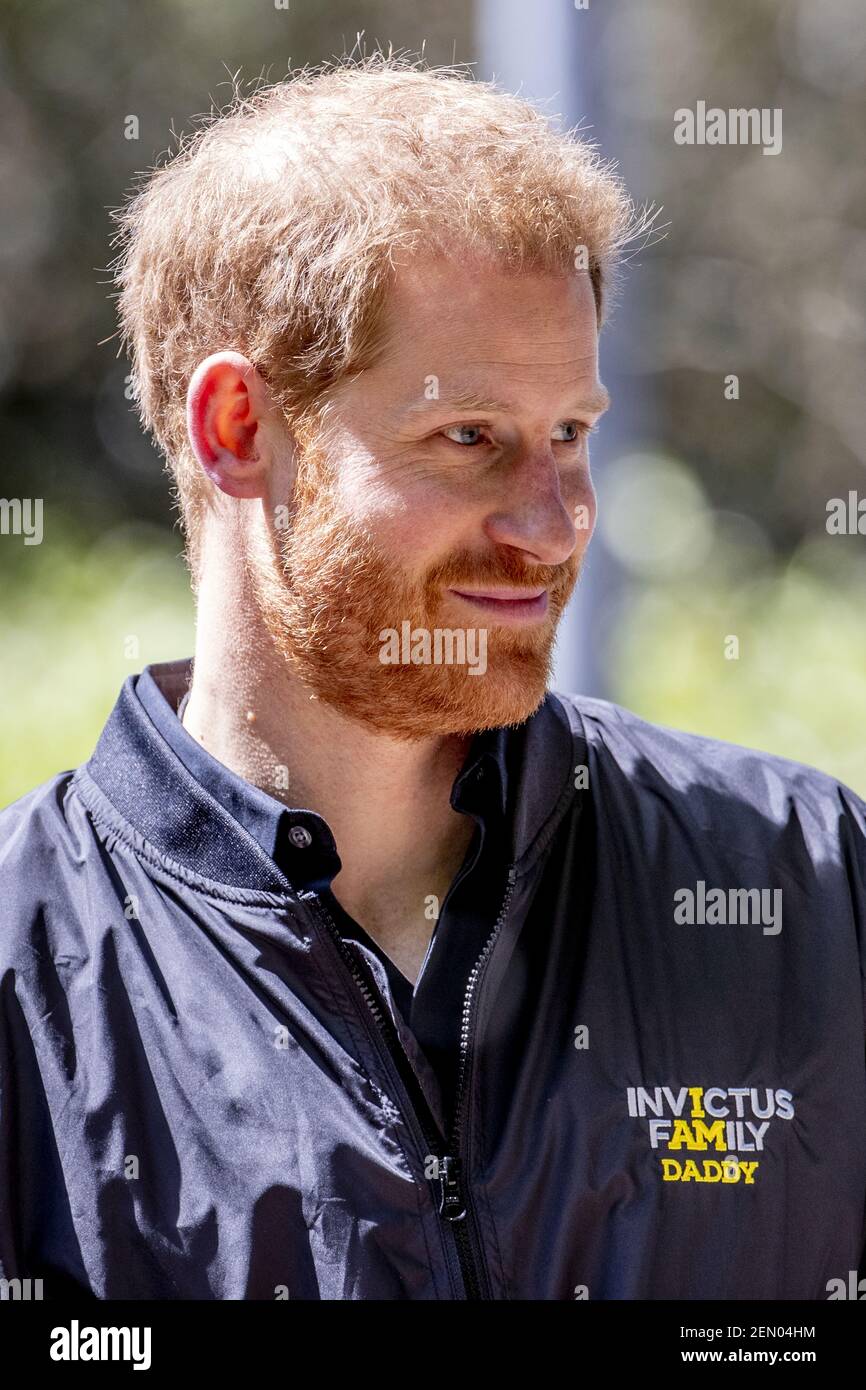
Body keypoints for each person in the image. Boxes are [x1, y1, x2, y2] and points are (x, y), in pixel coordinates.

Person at [1, 54, 864, 1302]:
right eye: (468, 438)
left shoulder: (809, 885)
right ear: (239, 429)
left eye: (568, 433)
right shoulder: (29, 983)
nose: (553, 525)